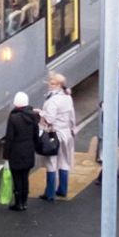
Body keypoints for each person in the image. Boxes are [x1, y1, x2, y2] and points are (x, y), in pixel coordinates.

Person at [38, 72, 76, 201]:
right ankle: (63, 189)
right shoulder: (68, 97)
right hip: (66, 134)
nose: (49, 85)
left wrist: (40, 112)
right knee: (65, 162)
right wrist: (72, 129)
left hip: (54, 135)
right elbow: (72, 117)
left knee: (51, 163)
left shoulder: (53, 101)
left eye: (52, 83)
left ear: (59, 85)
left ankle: (49, 193)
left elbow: (49, 119)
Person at [3, 92, 37, 211]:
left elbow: (9, 138)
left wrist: (6, 155)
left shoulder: (13, 118)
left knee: (17, 178)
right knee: (25, 177)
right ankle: (24, 202)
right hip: (28, 151)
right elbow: (36, 135)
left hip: (16, 153)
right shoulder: (33, 116)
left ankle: (18, 203)